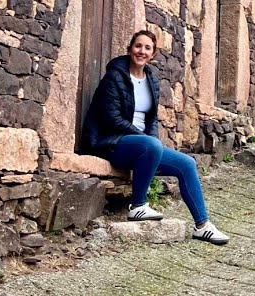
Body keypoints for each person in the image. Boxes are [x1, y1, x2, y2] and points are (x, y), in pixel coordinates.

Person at [80, 30, 228, 245]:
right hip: (111, 142)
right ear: (130, 49)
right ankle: (138, 206)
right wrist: (147, 142)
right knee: (150, 144)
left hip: (142, 146)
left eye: (147, 48)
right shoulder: (114, 76)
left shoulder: (151, 79)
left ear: (153, 53)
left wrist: (151, 143)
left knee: (187, 163)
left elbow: (151, 119)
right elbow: (111, 118)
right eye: (138, 46)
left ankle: (202, 226)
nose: (142, 51)